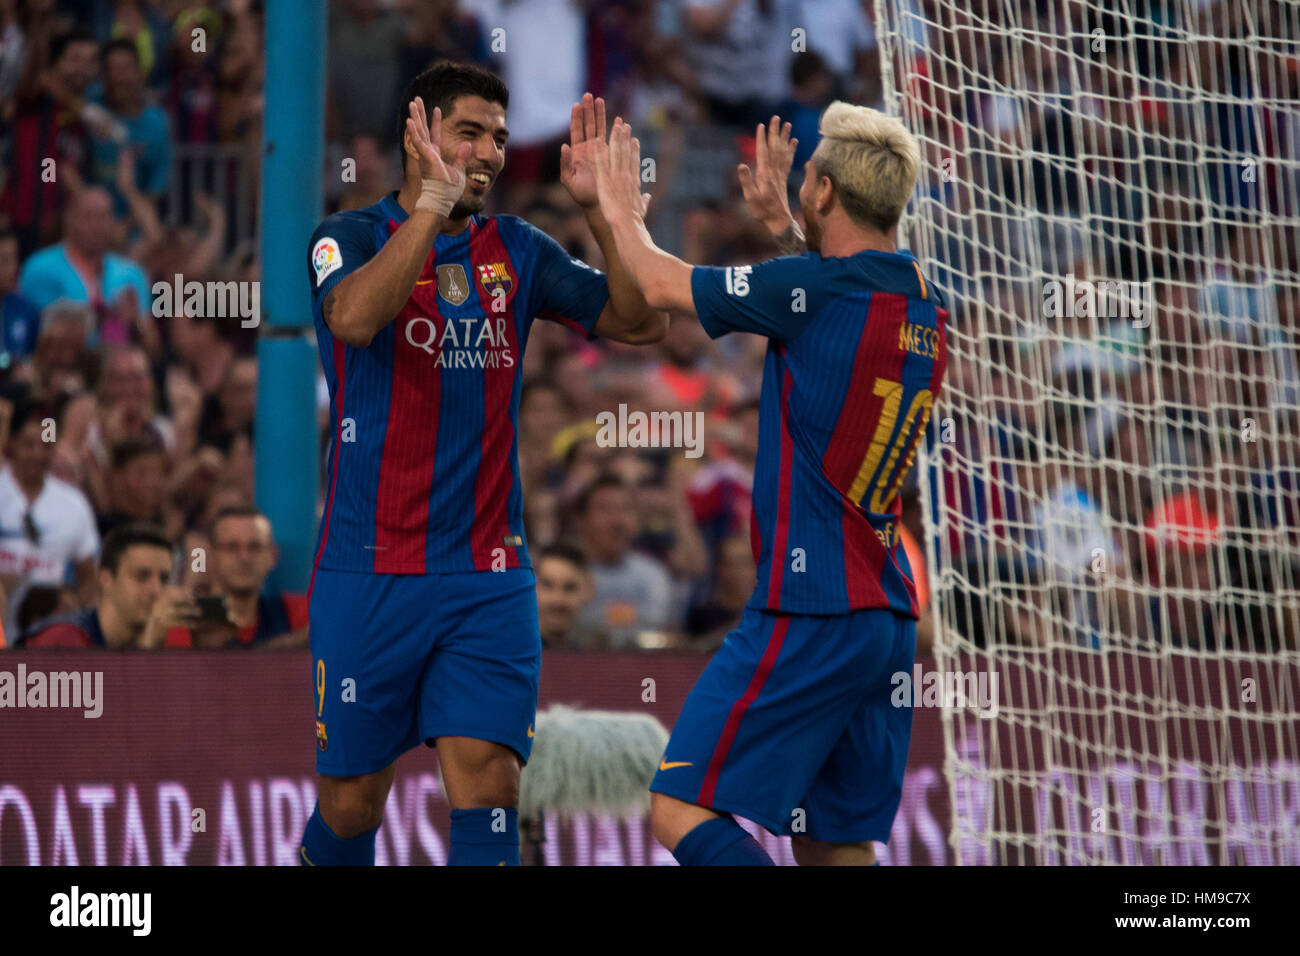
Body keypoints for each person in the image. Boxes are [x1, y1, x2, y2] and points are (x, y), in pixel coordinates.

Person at [298, 61, 665, 867]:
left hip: (488, 574)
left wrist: (607, 220)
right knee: (354, 807)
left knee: (491, 787)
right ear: (418, 132)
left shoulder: (521, 252)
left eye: (498, 138)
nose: (490, 154)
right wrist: (428, 211)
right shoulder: (345, 237)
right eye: (468, 133)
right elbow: (355, 319)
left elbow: (640, 325)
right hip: (369, 568)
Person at [592, 106, 947, 865]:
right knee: (836, 847)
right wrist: (789, 229)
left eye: (811, 176)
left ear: (822, 191)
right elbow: (836, 298)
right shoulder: (923, 303)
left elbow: (658, 283)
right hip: (885, 618)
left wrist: (618, 208)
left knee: (679, 808)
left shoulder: (813, 292)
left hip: (810, 605)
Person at [164, 507, 309, 650]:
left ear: (273, 556)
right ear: (211, 556)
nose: (244, 558)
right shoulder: (187, 622)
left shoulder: (295, 612)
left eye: (255, 547)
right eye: (231, 547)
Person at [18, 522, 179, 649]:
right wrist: (148, 647)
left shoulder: (167, 638)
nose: (156, 590)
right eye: (141, 576)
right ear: (105, 579)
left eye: (164, 579)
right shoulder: (63, 639)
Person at [534, 541, 595, 649]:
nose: (557, 600)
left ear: (589, 590)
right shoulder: (507, 654)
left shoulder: (599, 653)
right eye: (547, 585)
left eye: (570, 588)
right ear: (531, 588)